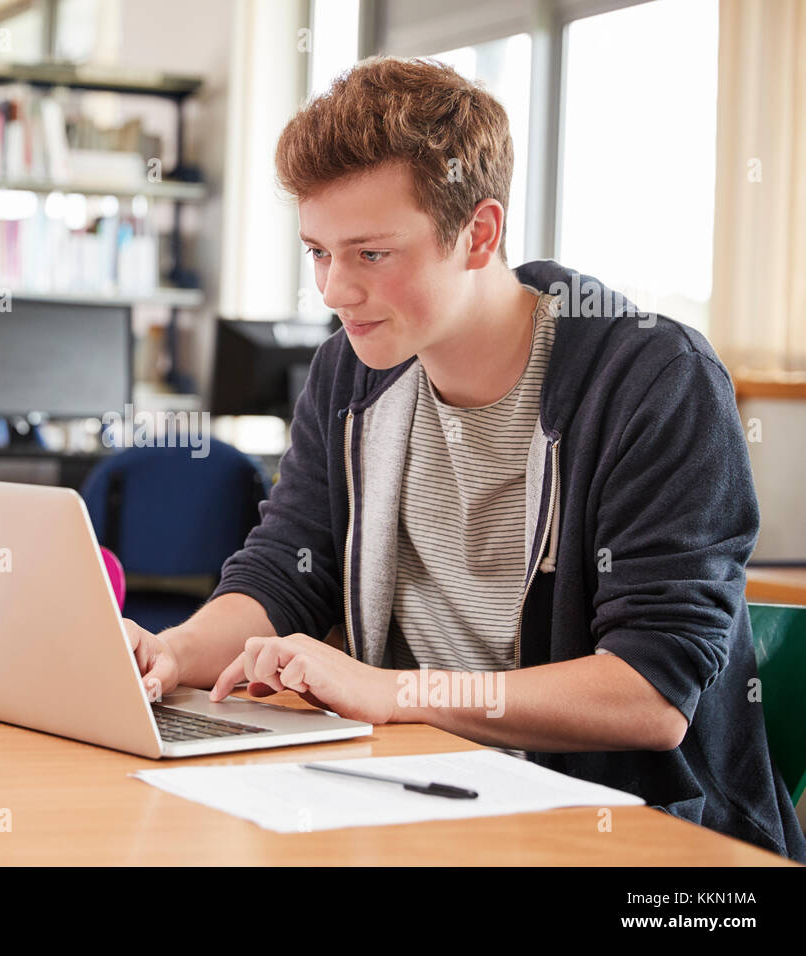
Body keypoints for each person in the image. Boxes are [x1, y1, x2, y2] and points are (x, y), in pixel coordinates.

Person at [124, 55, 806, 862]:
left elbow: (651, 693)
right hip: (415, 798)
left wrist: (394, 695)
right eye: (317, 252)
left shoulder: (652, 383)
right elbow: (285, 570)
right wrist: (172, 655)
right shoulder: (353, 368)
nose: (334, 291)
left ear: (478, 234)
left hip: (632, 837)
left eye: (371, 254)